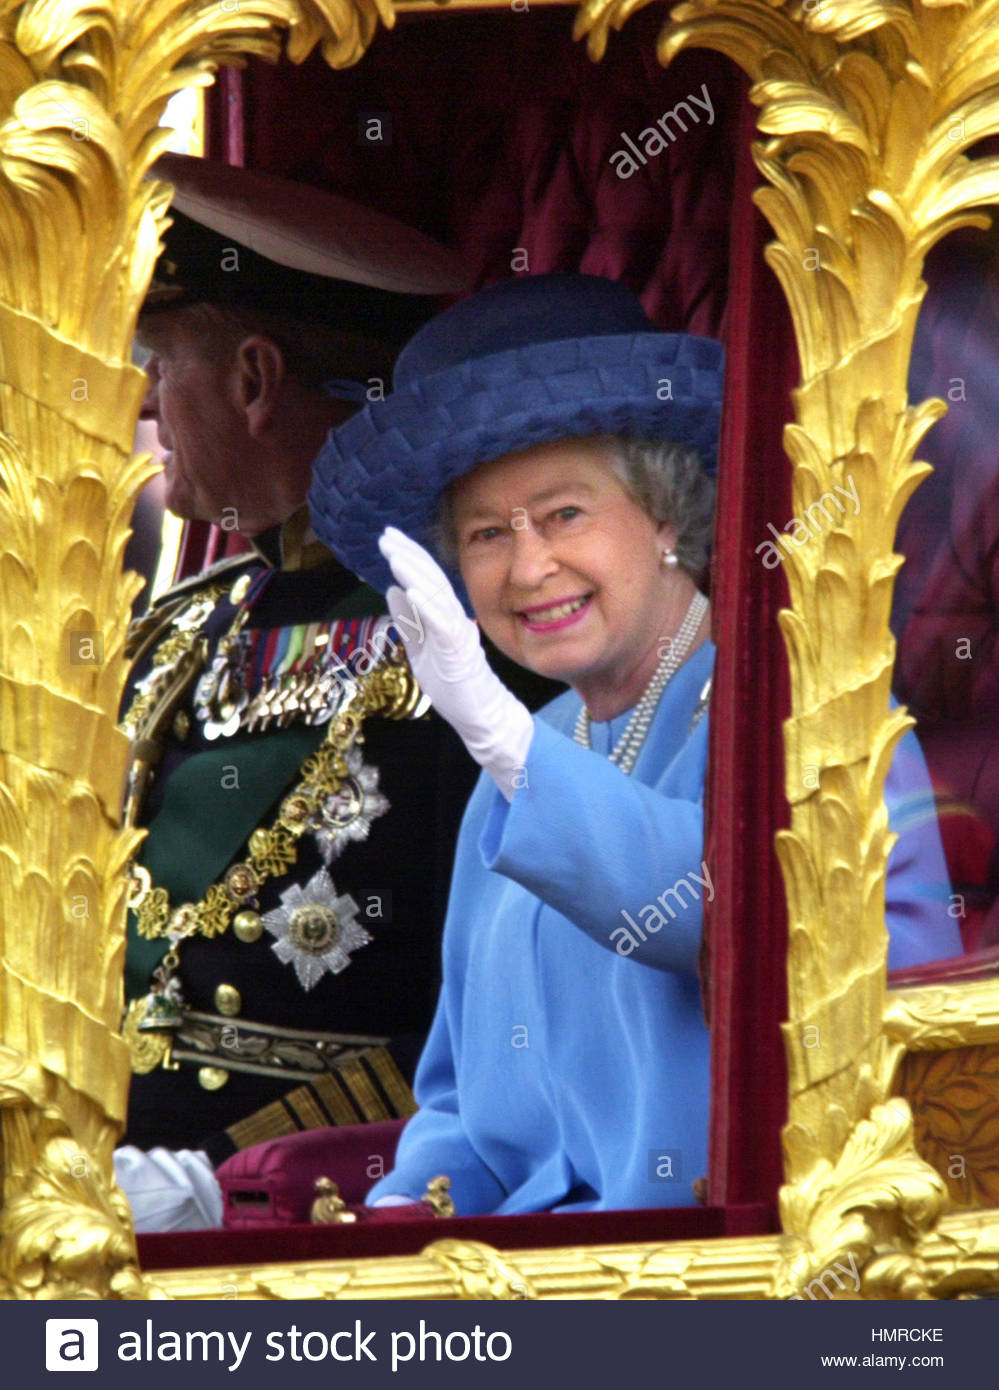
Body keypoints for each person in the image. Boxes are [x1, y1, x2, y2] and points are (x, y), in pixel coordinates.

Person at [307, 273, 962, 1214]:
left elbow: (747, 936)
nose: (528, 567)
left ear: (664, 516)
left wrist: (504, 746)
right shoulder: (527, 752)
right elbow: (460, 1112)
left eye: (565, 514)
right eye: (488, 533)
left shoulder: (804, 706)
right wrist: (391, 1234)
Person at [114, 154, 505, 1231]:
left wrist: (235, 1186)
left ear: (253, 378)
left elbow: (468, 1028)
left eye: (161, 363)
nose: (148, 405)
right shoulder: (183, 626)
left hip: (287, 1201)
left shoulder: (468, 650)